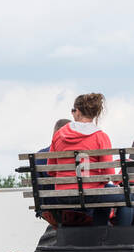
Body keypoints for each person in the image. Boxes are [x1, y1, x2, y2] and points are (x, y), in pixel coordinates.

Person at [48, 93, 117, 224]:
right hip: (91, 195)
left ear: (78, 111)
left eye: (73, 110)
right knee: (126, 196)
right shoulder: (100, 137)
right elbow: (109, 175)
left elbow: (50, 170)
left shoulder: (58, 135)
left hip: (62, 195)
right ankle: (101, 231)